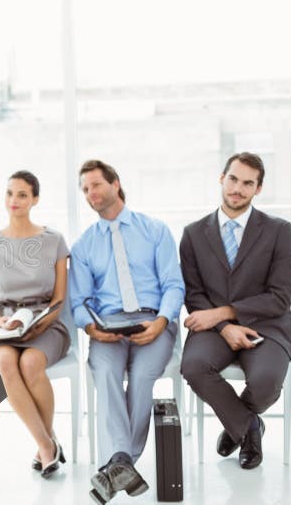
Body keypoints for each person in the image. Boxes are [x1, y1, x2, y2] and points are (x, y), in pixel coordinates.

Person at [69, 160, 184, 503]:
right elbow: (79, 301)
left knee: (142, 376)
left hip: (152, 321)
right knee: (104, 371)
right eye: (85, 189)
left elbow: (174, 285)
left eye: (95, 185)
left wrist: (161, 322)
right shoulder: (84, 245)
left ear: (115, 184)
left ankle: (118, 462)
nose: (90, 193)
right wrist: (92, 328)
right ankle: (123, 464)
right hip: (109, 328)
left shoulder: (155, 230)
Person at [180, 152, 291, 470]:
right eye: (233, 179)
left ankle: (237, 423)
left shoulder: (279, 231)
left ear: (258, 189)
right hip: (213, 330)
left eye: (248, 183)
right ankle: (249, 427)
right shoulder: (193, 234)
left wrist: (225, 313)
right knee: (193, 366)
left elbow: (281, 297)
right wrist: (223, 327)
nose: (237, 189)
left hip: (266, 325)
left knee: (267, 381)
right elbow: (194, 292)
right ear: (222, 178)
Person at [0, 170, 70, 478]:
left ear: (35, 199)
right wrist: (1, 320)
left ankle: (45, 446)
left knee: (31, 363)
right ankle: (47, 444)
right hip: (8, 326)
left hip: (46, 324)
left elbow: (59, 299)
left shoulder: (53, 241)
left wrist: (41, 322)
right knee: (5, 363)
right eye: (10, 193)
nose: (14, 200)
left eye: (22, 194)